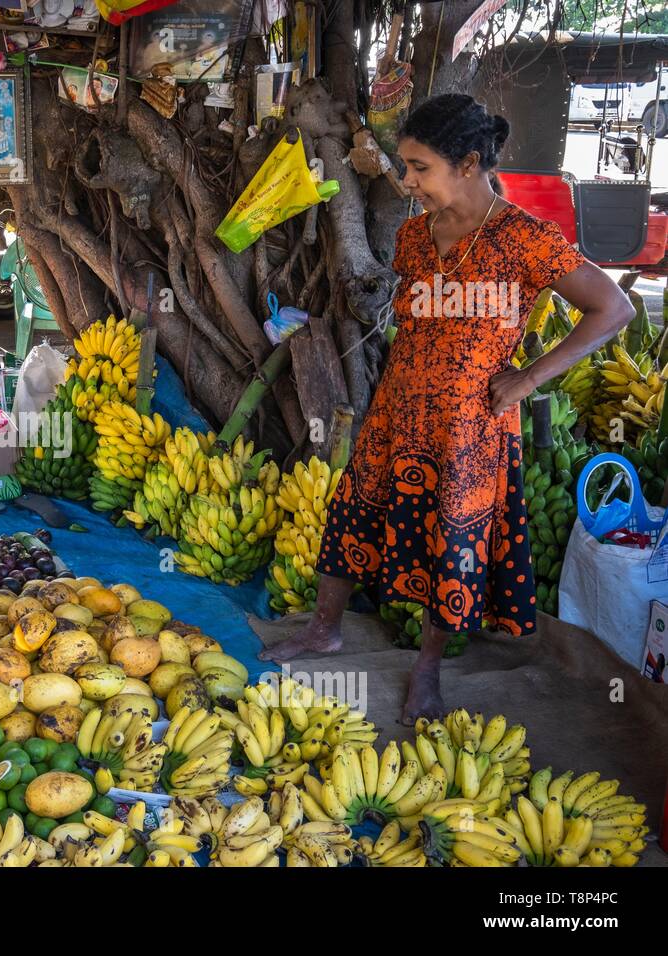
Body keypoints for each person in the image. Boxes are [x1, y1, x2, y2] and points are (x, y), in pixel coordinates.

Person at [259, 94, 636, 723]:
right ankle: (324, 627)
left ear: (467, 163)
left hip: (471, 423)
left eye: (418, 166)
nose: (406, 181)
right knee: (353, 508)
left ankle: (427, 668)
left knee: (451, 541)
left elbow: (614, 309)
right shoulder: (413, 236)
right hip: (398, 406)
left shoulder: (525, 238)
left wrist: (529, 378)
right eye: (405, 167)